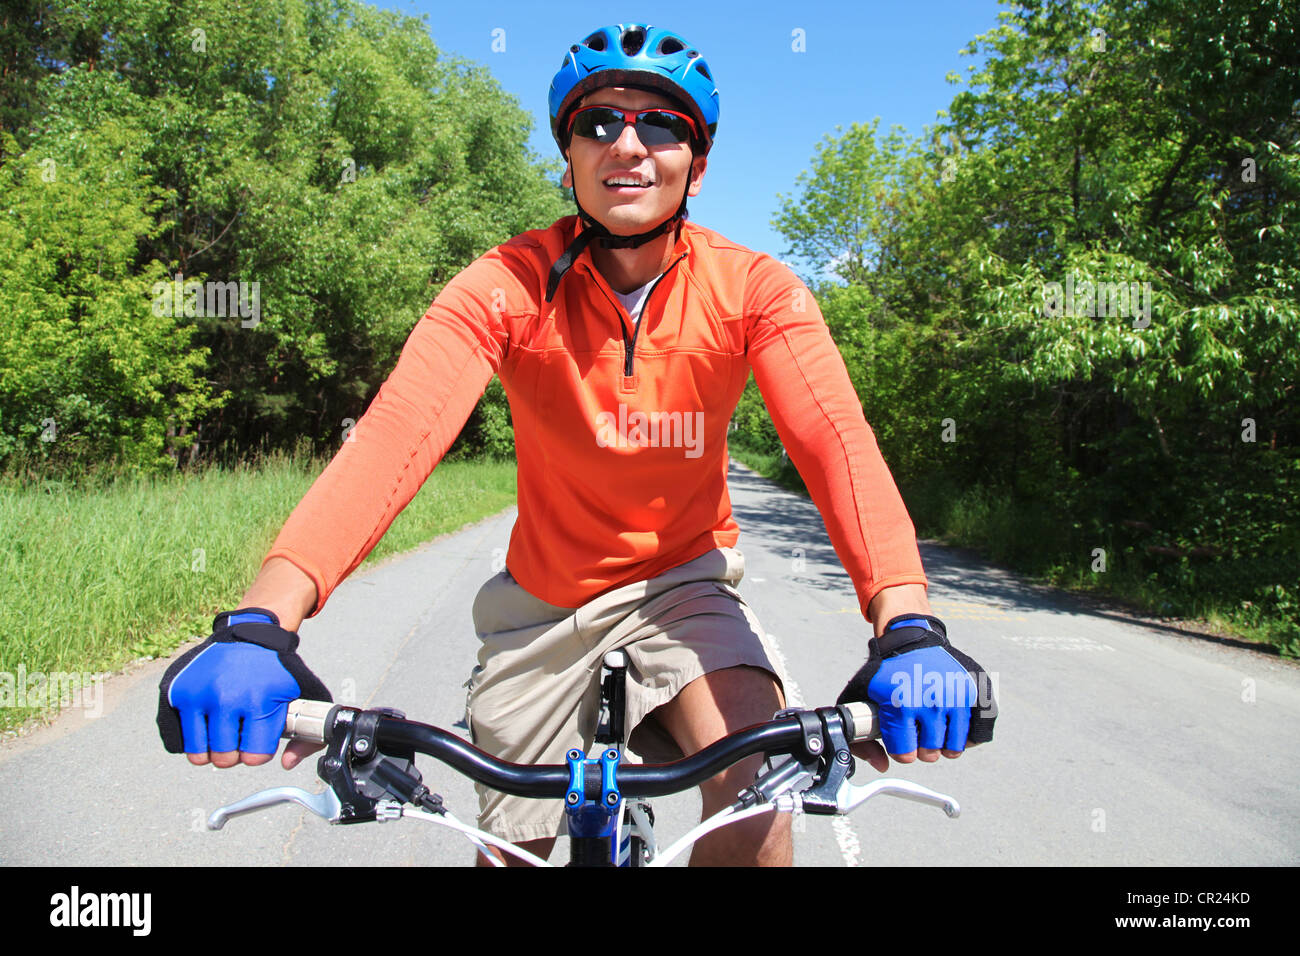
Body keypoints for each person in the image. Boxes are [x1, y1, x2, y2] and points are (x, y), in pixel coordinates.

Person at [157, 23, 996, 867]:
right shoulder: (507, 284)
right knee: (509, 852)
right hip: (542, 606)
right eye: (598, 123)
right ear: (569, 159)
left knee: (757, 799)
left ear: (696, 166)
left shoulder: (753, 289)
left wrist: (906, 620)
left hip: (683, 585)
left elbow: (833, 439)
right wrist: (263, 621)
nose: (626, 145)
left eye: (660, 125)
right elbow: (393, 437)